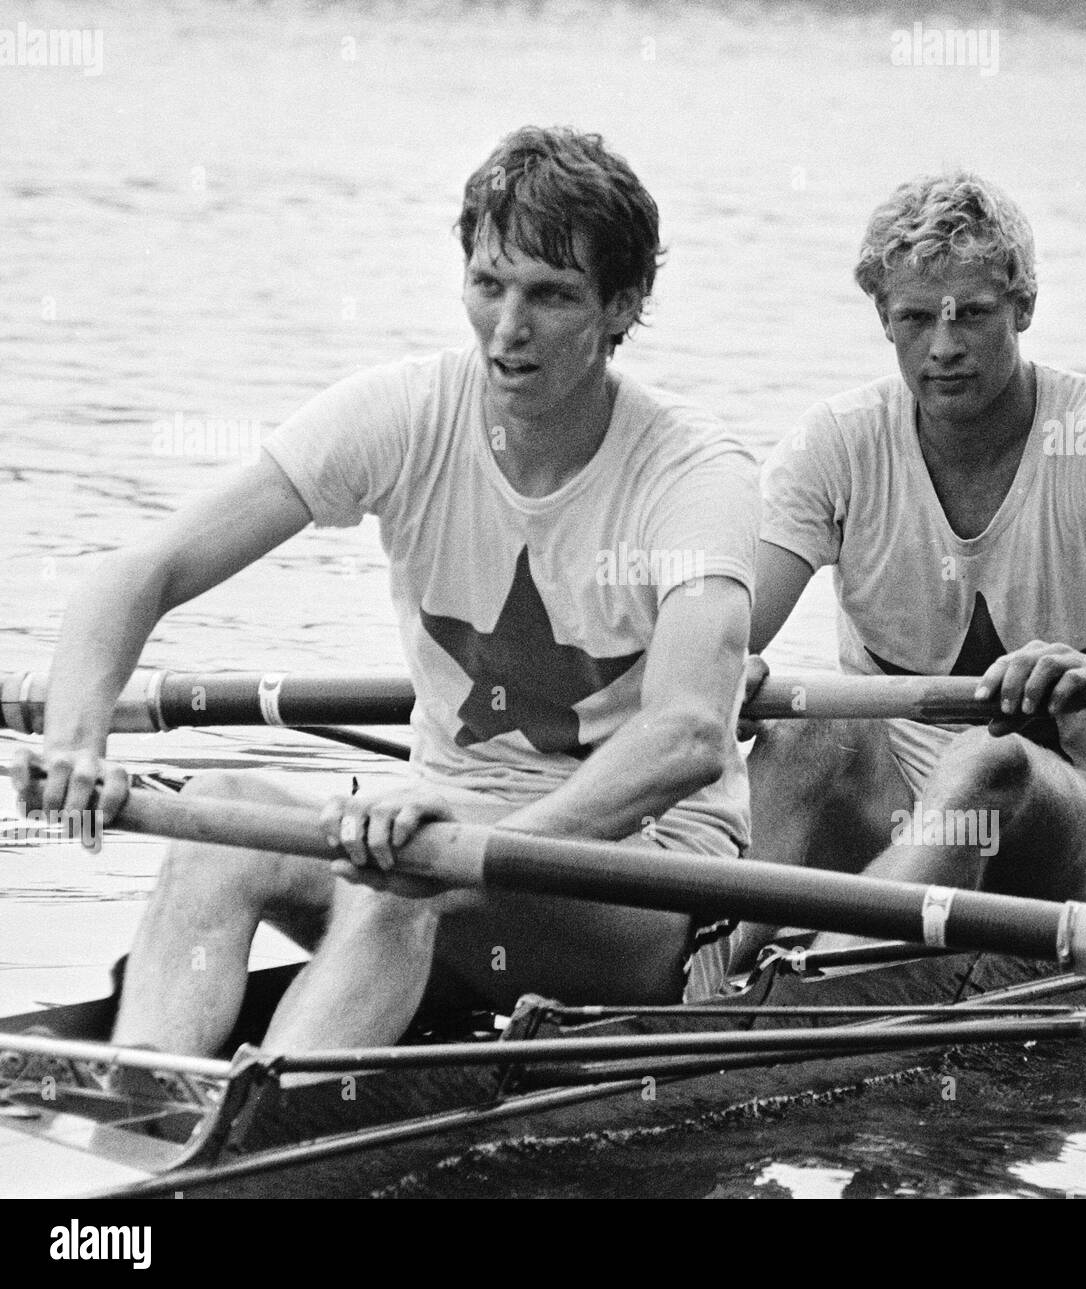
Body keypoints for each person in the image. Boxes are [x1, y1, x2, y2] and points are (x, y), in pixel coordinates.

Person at [13, 126, 758, 1054]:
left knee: (399, 872)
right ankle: (148, 1096)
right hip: (433, 835)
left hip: (642, 887)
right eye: (488, 285)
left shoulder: (695, 474)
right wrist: (74, 744)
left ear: (624, 303)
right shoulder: (407, 413)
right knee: (221, 820)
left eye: (550, 295)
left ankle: (268, 1127)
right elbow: (143, 571)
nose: (509, 328)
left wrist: (473, 856)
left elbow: (687, 734)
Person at [732, 170, 1086, 971]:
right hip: (884, 811)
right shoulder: (835, 443)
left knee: (987, 758)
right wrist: (711, 667)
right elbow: (729, 624)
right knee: (803, 725)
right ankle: (721, 961)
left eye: (972, 315)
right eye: (915, 318)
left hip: (1048, 838)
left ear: (1024, 309)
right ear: (884, 318)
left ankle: (815, 985)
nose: (943, 348)